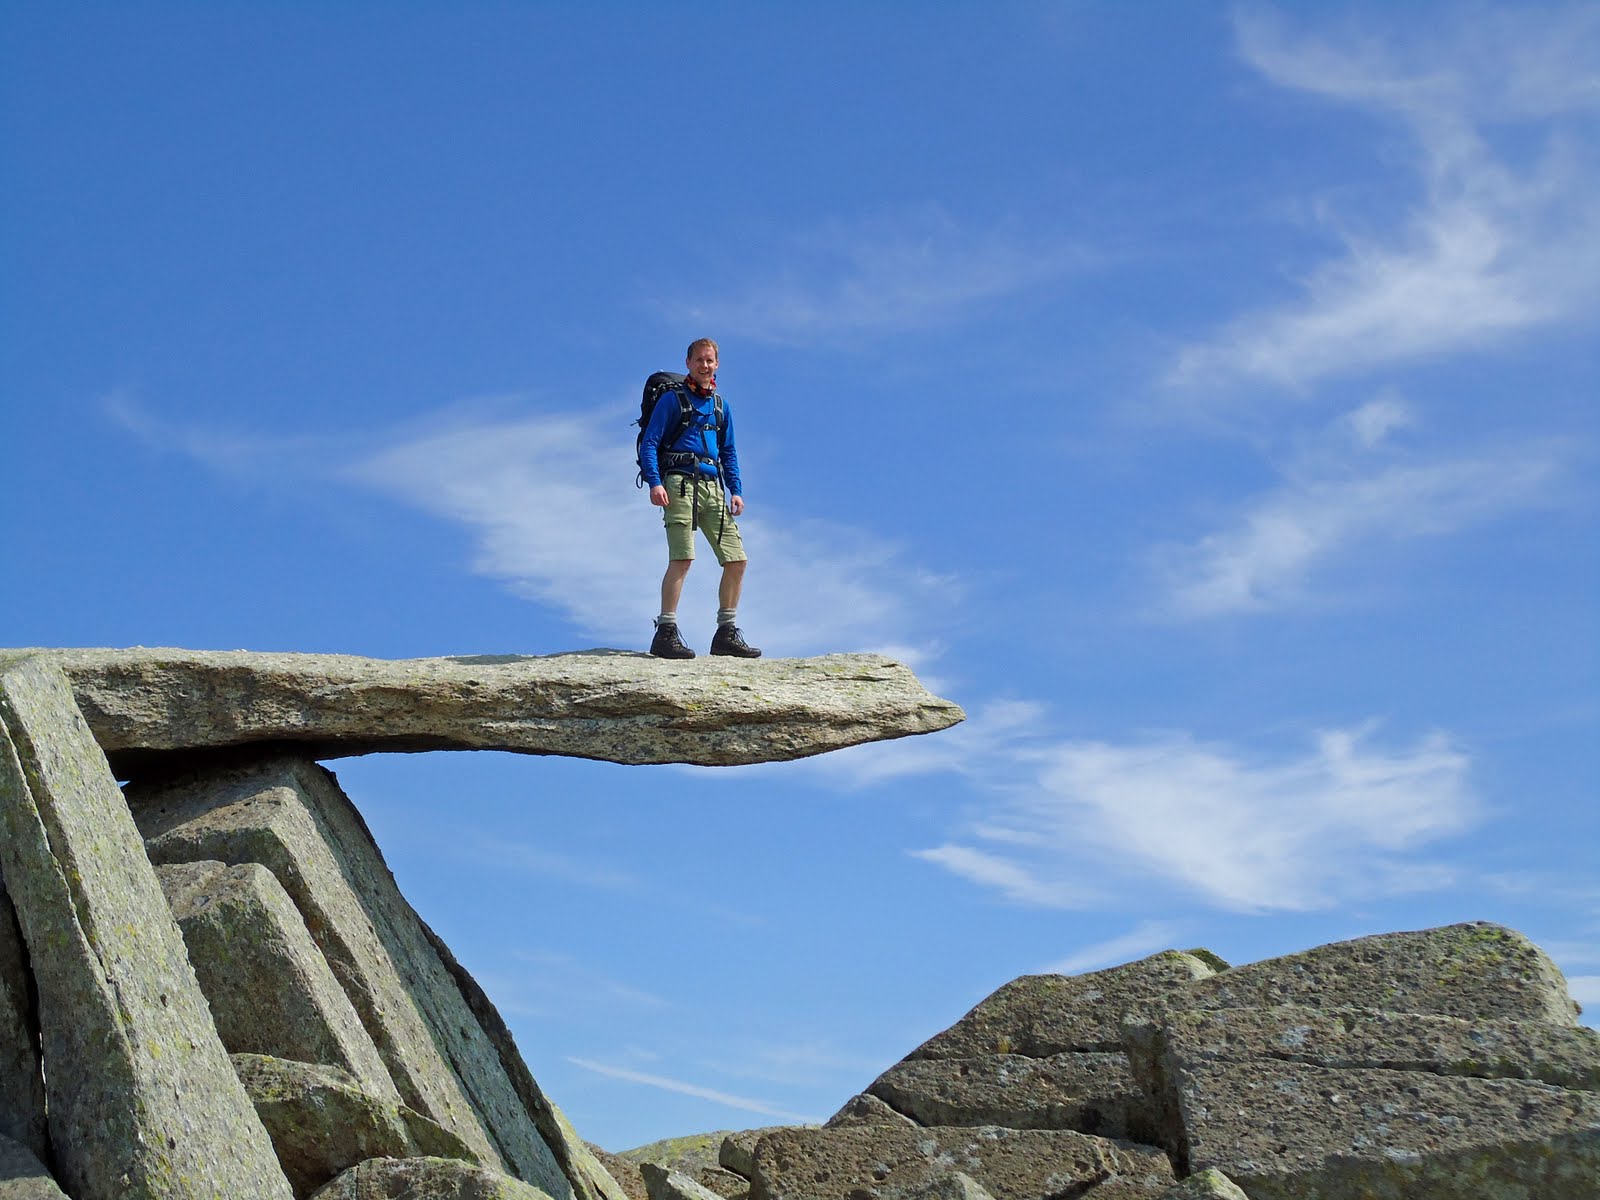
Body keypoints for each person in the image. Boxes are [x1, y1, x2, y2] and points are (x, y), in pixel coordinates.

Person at [639, 337, 761, 659]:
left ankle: (726, 633)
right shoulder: (672, 401)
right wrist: (655, 482)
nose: (705, 366)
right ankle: (665, 632)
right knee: (683, 558)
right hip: (678, 483)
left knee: (737, 560)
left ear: (717, 364)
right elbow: (649, 443)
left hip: (712, 487)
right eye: (699, 361)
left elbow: (729, 452)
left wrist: (736, 490)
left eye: (710, 361)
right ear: (688, 363)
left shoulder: (721, 406)